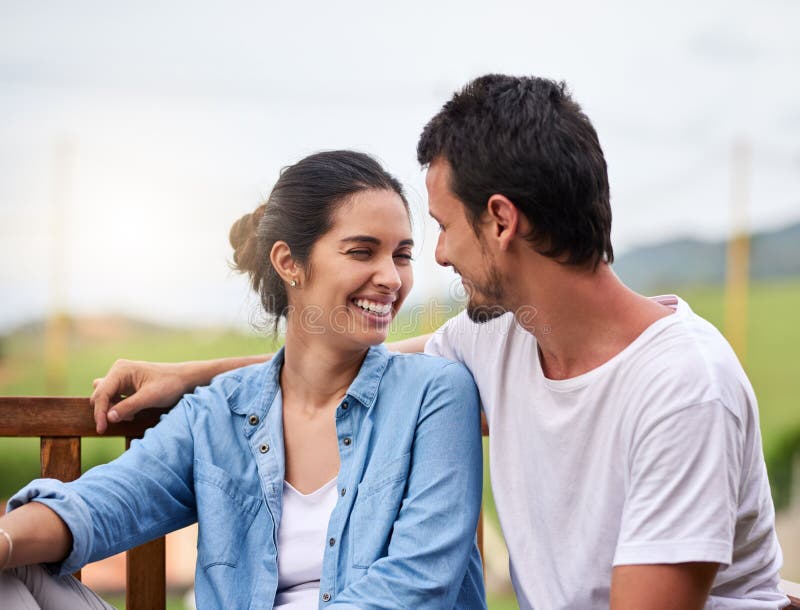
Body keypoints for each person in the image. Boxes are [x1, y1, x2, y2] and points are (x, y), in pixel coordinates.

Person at [87, 75, 788, 609]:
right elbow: (345, 365)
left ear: (501, 220)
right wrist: (188, 375)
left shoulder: (683, 387)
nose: (441, 258)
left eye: (442, 227)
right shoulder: (507, 339)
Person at [0, 151, 487, 609]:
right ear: (288, 262)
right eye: (363, 252)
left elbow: (419, 584)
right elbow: (103, 504)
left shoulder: (435, 393)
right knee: (11, 571)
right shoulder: (217, 413)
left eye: (401, 255)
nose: (392, 278)